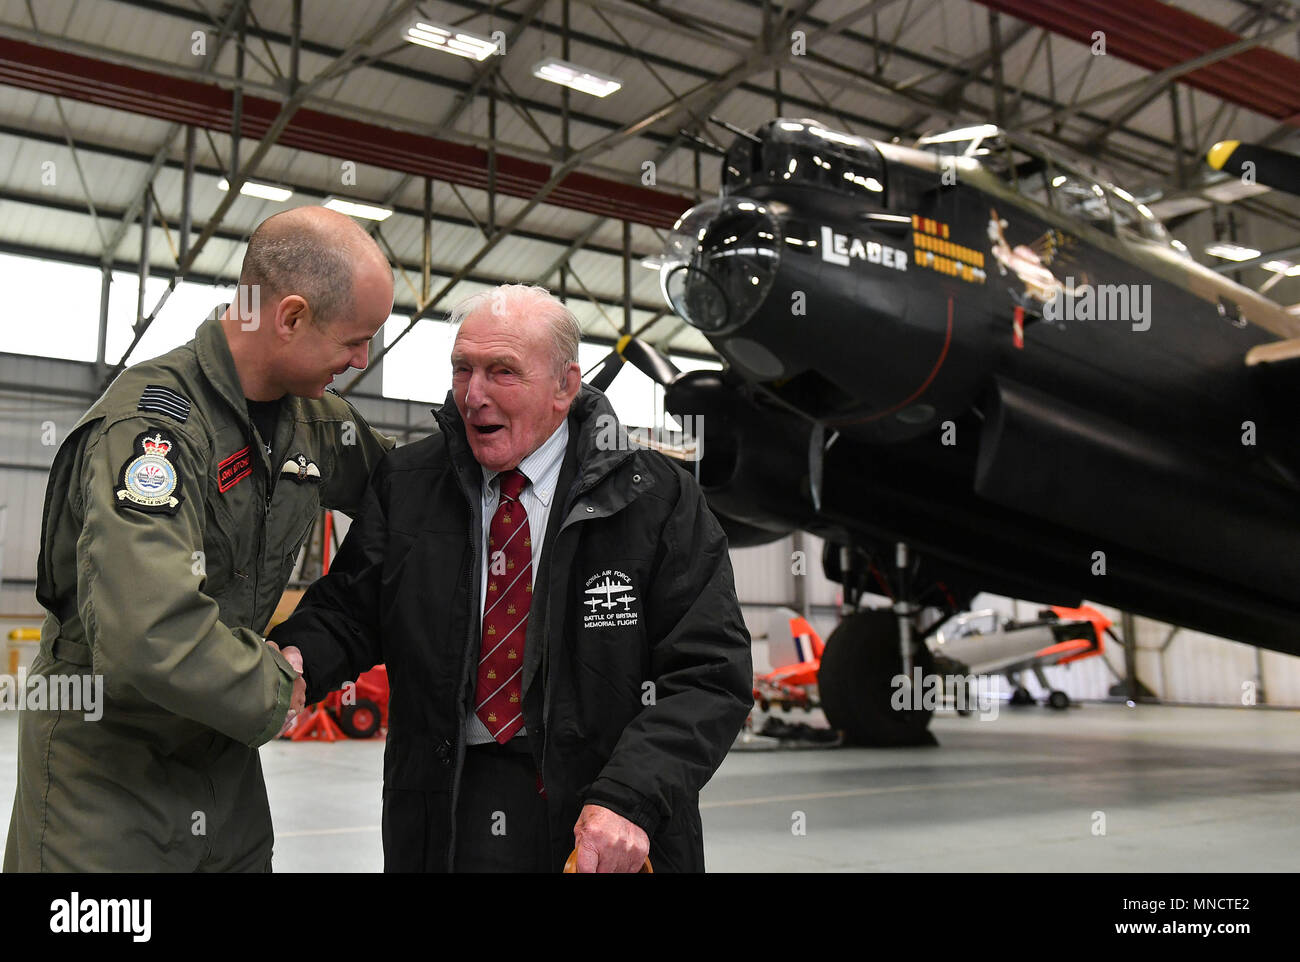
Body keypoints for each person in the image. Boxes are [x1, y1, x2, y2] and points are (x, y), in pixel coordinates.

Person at [269, 284, 752, 872]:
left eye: (502, 372)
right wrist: (293, 661)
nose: (474, 396)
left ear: (565, 387)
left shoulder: (658, 499)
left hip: (607, 817)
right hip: (445, 816)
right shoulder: (409, 485)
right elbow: (348, 612)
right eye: (462, 369)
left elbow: (709, 674)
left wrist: (631, 798)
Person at [3, 206, 396, 872]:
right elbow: (148, 633)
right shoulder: (153, 430)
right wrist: (278, 685)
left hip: (227, 781)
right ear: (291, 317)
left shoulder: (314, 423)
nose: (361, 361)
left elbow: (407, 490)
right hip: (107, 789)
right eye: (356, 341)